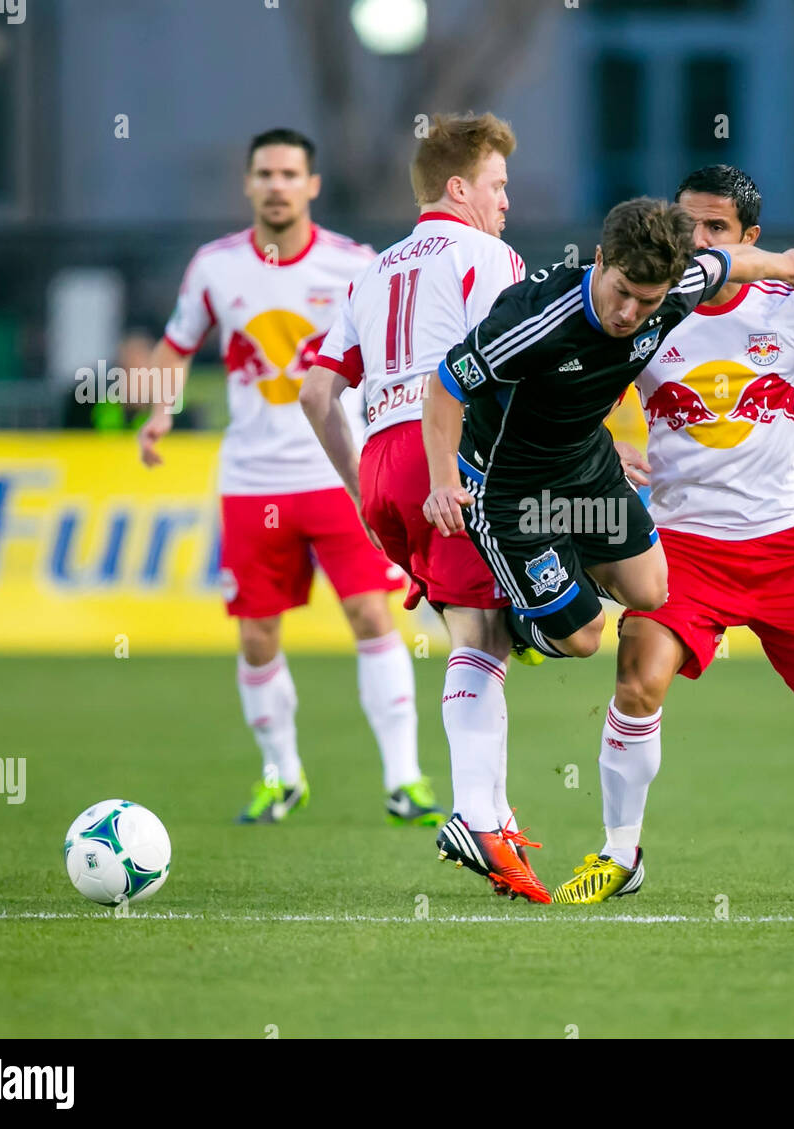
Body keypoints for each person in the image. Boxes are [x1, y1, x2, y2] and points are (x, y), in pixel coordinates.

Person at [547, 166, 794, 904]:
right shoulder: (650, 309)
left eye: (715, 230)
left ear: (749, 239)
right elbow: (557, 397)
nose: (696, 242)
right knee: (636, 681)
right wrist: (600, 445)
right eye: (686, 225)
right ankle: (619, 854)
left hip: (784, 551)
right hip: (679, 549)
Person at [139, 128, 432, 828]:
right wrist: (156, 410)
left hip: (339, 472)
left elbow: (391, 344)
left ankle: (405, 780)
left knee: (371, 614)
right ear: (249, 184)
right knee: (257, 635)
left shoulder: (354, 263)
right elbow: (175, 346)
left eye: (289, 173)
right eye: (264, 173)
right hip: (251, 480)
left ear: (312, 185)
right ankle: (282, 775)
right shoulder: (214, 267)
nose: (276, 184)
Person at [421, 196, 794, 671]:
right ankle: (518, 623)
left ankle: (556, 574)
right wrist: (442, 482)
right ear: (600, 260)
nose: (628, 313)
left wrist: (788, 265)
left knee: (651, 592)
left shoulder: (678, 285)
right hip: (509, 490)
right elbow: (443, 386)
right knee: (583, 637)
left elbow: (730, 262)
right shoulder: (534, 320)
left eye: (647, 301)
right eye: (621, 291)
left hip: (586, 466)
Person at [301, 113, 550, 903]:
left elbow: (316, 392)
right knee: (482, 638)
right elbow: (518, 366)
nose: (505, 202)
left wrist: (361, 491)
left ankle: (497, 816)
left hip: (380, 464)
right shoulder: (488, 256)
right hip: (448, 457)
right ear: (458, 187)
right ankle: (476, 817)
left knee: (486, 633)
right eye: (497, 185)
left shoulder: (369, 273)